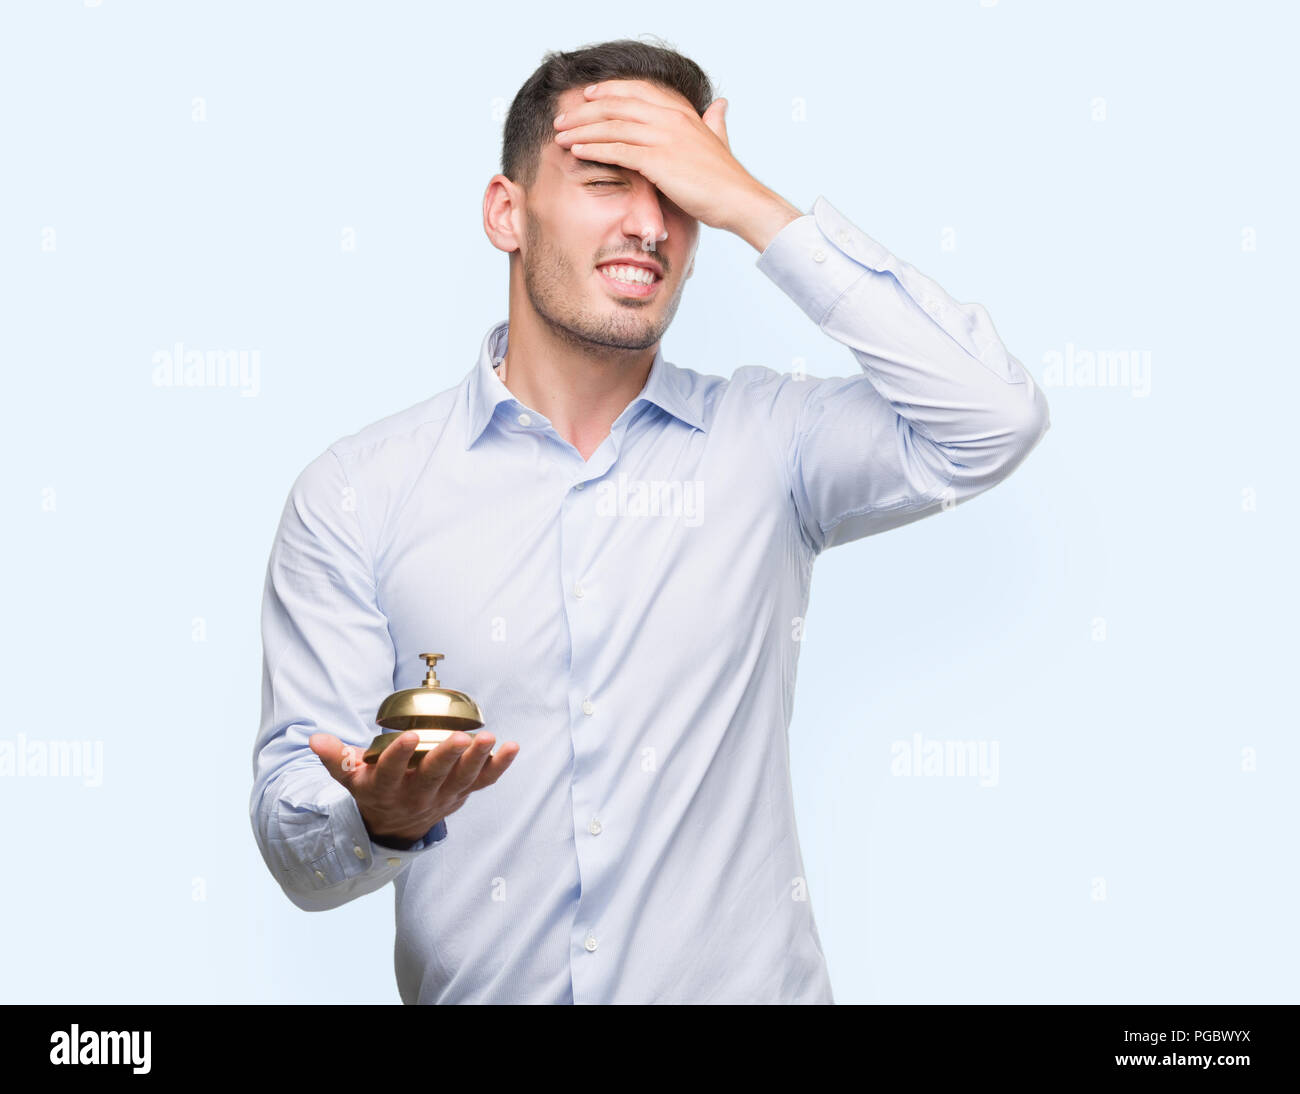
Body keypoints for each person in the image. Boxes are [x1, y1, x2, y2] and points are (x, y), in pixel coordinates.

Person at [249, 37, 1051, 1004]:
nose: (649, 224)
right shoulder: (355, 495)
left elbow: (992, 418)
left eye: (677, 190)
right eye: (606, 179)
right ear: (508, 212)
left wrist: (753, 205)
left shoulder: (773, 445)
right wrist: (377, 818)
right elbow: (299, 854)